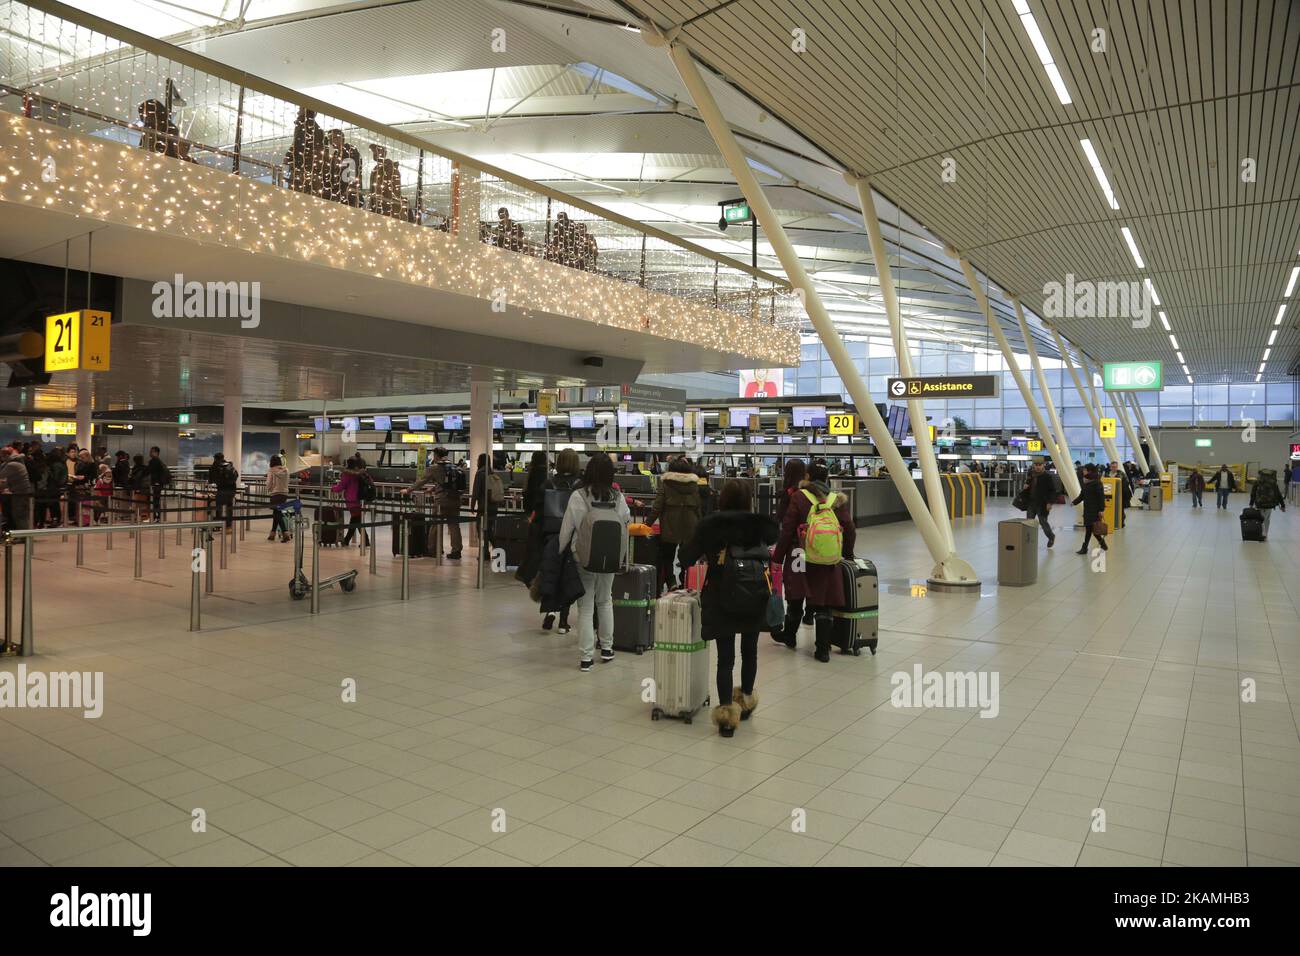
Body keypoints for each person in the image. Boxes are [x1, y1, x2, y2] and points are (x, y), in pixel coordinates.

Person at [677, 479, 778, 738]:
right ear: (748, 501)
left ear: (723, 499)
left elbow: (686, 558)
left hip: (722, 596)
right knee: (750, 652)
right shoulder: (760, 526)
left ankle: (726, 718)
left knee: (725, 658)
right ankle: (746, 702)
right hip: (756, 596)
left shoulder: (712, 526)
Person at [773, 462, 855, 661]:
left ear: (808, 476)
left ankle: (790, 636)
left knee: (795, 595)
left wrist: (778, 557)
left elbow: (787, 529)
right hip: (826, 558)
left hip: (799, 553)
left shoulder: (799, 497)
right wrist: (847, 554)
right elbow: (850, 529)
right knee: (824, 600)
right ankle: (822, 650)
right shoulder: (836, 499)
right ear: (827, 478)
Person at [558, 452, 631, 671]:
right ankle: (607, 649)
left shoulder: (579, 496)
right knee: (605, 601)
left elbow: (567, 528)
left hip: (583, 558)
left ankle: (586, 657)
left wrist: (561, 551)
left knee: (586, 607)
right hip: (610, 557)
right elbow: (625, 524)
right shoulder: (618, 497)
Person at [536, 449, 583, 634]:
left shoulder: (548, 483)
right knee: (568, 576)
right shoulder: (580, 485)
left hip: (550, 535)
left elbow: (538, 509)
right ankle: (563, 622)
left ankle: (550, 612)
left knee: (552, 574)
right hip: (572, 535)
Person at [647, 457, 702, 592]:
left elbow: (657, 507)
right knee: (686, 557)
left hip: (670, 527)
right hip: (690, 527)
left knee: (667, 557)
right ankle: (684, 582)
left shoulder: (666, 485)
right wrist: (701, 527)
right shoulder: (694, 486)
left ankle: (671, 582)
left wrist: (647, 525)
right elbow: (698, 508)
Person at [403, 447, 462, 558]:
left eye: (434, 455)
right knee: (454, 526)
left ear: (437, 456)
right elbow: (447, 484)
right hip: (455, 500)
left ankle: (434, 549)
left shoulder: (435, 468)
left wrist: (408, 490)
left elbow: (421, 481)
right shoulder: (455, 467)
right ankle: (456, 550)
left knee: (435, 524)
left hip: (441, 501)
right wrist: (434, 488)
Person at [331, 456, 371, 547]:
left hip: (352, 500)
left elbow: (341, 486)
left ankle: (364, 540)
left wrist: (333, 488)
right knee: (356, 520)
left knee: (357, 521)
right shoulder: (362, 473)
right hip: (362, 499)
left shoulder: (347, 474)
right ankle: (347, 539)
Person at [471, 452, 502, 560]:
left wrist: (472, 504)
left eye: (478, 460)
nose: (476, 462)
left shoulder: (480, 473)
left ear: (481, 461)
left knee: (482, 530)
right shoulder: (492, 473)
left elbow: (476, 490)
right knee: (489, 530)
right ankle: (499, 551)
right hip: (494, 505)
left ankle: (485, 553)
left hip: (483, 506)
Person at [1072, 463, 1108, 554]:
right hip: (1087, 509)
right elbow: (1082, 495)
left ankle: (1085, 548)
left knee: (1090, 529)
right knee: (1091, 529)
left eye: (1085, 470)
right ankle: (1102, 544)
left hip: (1095, 510)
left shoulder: (1097, 482)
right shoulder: (1086, 482)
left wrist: (1101, 509)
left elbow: (1101, 497)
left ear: (1089, 471)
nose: (1083, 471)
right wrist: (1074, 502)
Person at [1022, 461, 1056, 548]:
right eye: (1036, 465)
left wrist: (1050, 502)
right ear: (1033, 465)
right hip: (1031, 503)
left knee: (1043, 522)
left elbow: (1052, 491)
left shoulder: (1047, 477)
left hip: (1042, 504)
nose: (1038, 467)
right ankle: (1029, 541)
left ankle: (1051, 536)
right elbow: (1027, 485)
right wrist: (1025, 486)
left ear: (1043, 465)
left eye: (1039, 465)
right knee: (1029, 522)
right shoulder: (1031, 475)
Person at [0, 445, 34, 531]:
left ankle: (23, 535)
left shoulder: (12, 464)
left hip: (20, 494)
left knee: (19, 516)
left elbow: (2, 476)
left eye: (1, 455)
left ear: (6, 455)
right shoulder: (16, 462)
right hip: (21, 492)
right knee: (20, 515)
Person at [1248, 468, 1286, 540]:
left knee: (1260, 518)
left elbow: (1253, 493)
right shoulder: (1273, 482)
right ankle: (1265, 534)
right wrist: (1282, 505)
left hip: (1259, 503)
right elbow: (1278, 494)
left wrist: (1251, 504)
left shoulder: (1257, 481)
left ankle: (1261, 533)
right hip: (1269, 504)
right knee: (1267, 519)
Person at [207, 453, 239, 532]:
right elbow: (236, 475)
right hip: (231, 489)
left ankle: (218, 525)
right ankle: (228, 526)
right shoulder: (229, 465)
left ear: (215, 458)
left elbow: (210, 480)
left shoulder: (214, 467)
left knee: (219, 507)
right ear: (223, 457)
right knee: (229, 508)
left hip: (221, 489)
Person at [267, 455, 292, 542]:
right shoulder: (286, 470)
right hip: (284, 494)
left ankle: (285, 533)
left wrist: (270, 489)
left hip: (275, 494)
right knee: (277, 512)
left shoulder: (271, 470)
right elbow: (288, 481)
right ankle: (272, 533)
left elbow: (269, 483)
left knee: (277, 513)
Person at [145, 446, 170, 522]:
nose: (150, 453)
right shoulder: (159, 461)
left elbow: (148, 471)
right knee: (156, 501)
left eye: (151, 451)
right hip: (159, 484)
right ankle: (156, 517)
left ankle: (155, 517)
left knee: (154, 501)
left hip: (155, 484)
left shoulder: (154, 461)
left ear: (156, 452)